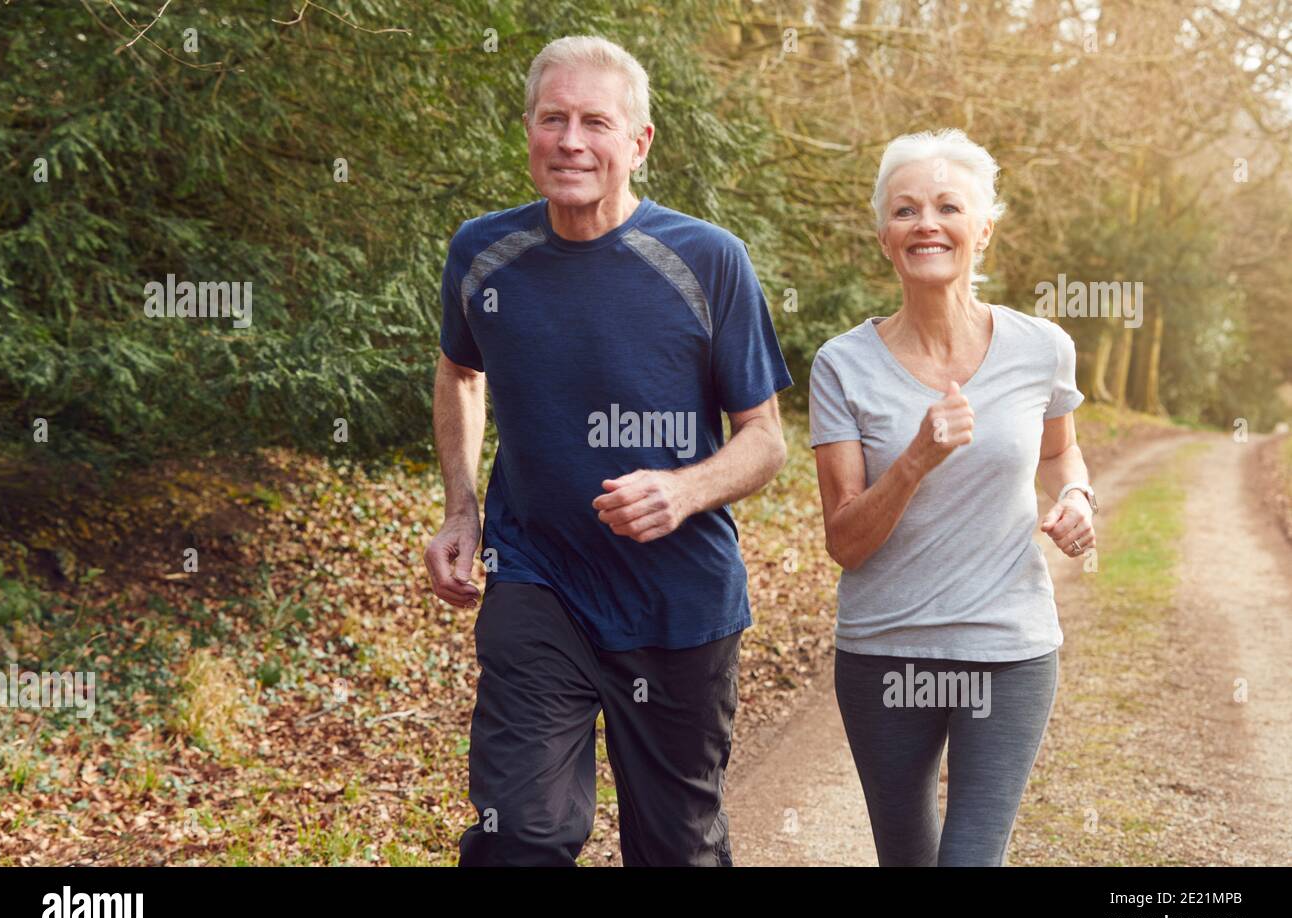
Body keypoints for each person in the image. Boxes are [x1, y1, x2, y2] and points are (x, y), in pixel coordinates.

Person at [428, 35, 793, 866]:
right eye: (552, 118)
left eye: (596, 121)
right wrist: (462, 507)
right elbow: (458, 370)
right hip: (537, 579)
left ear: (639, 142)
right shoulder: (484, 252)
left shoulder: (708, 260)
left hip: (679, 601)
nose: (570, 141)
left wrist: (685, 491)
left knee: (676, 850)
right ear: (527, 131)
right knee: (519, 833)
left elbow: (766, 440)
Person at [809, 128, 1098, 866]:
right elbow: (845, 540)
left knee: (971, 857)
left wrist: (1076, 497)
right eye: (906, 211)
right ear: (884, 238)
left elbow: (1061, 449)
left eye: (947, 206)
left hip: (1009, 648)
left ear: (984, 229)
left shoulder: (1042, 348)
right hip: (886, 655)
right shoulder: (842, 367)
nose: (927, 223)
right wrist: (915, 459)